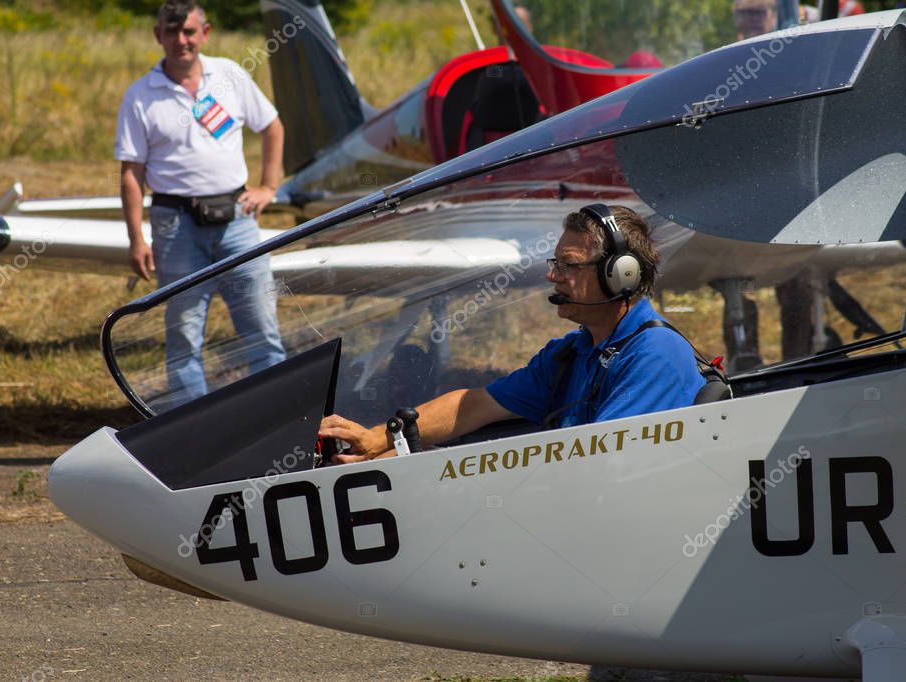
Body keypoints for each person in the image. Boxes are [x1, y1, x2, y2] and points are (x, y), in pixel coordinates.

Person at [320, 205, 705, 464]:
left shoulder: (654, 355)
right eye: (555, 263)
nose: (552, 276)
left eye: (568, 265)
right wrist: (379, 442)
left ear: (620, 275)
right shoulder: (569, 355)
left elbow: (598, 464)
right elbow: (473, 406)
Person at [115, 0, 287, 405]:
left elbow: (272, 126)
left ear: (205, 33)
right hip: (176, 226)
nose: (181, 40)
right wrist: (136, 239)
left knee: (262, 326)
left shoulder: (230, 75)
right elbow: (131, 173)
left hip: (237, 220)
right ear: (158, 35)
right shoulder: (140, 96)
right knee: (184, 335)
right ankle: (194, 426)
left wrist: (268, 186)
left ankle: (278, 415)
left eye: (189, 31)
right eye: (172, 32)